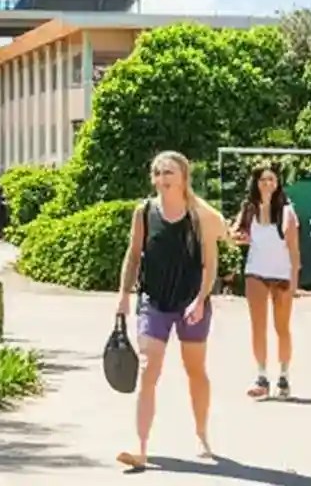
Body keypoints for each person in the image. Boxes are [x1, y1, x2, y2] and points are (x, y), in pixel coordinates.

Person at [115, 151, 224, 470]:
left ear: (183, 178)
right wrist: (123, 294)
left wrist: (201, 299)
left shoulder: (199, 215)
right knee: (149, 369)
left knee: (195, 371)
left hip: (191, 301)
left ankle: (202, 434)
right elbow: (133, 256)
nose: (162, 179)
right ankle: (141, 447)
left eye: (169, 173)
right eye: (158, 172)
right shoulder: (144, 212)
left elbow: (210, 264)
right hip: (154, 301)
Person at [229, 165, 300, 400]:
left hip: (281, 275)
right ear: (256, 183)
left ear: (278, 183)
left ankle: (284, 376)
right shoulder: (249, 209)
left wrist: (294, 281)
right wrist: (239, 237)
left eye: (271, 179)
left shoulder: (287, 211)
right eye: (263, 180)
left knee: (282, 328)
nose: (267, 183)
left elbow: (293, 249)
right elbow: (234, 235)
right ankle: (261, 376)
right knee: (258, 326)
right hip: (255, 271)